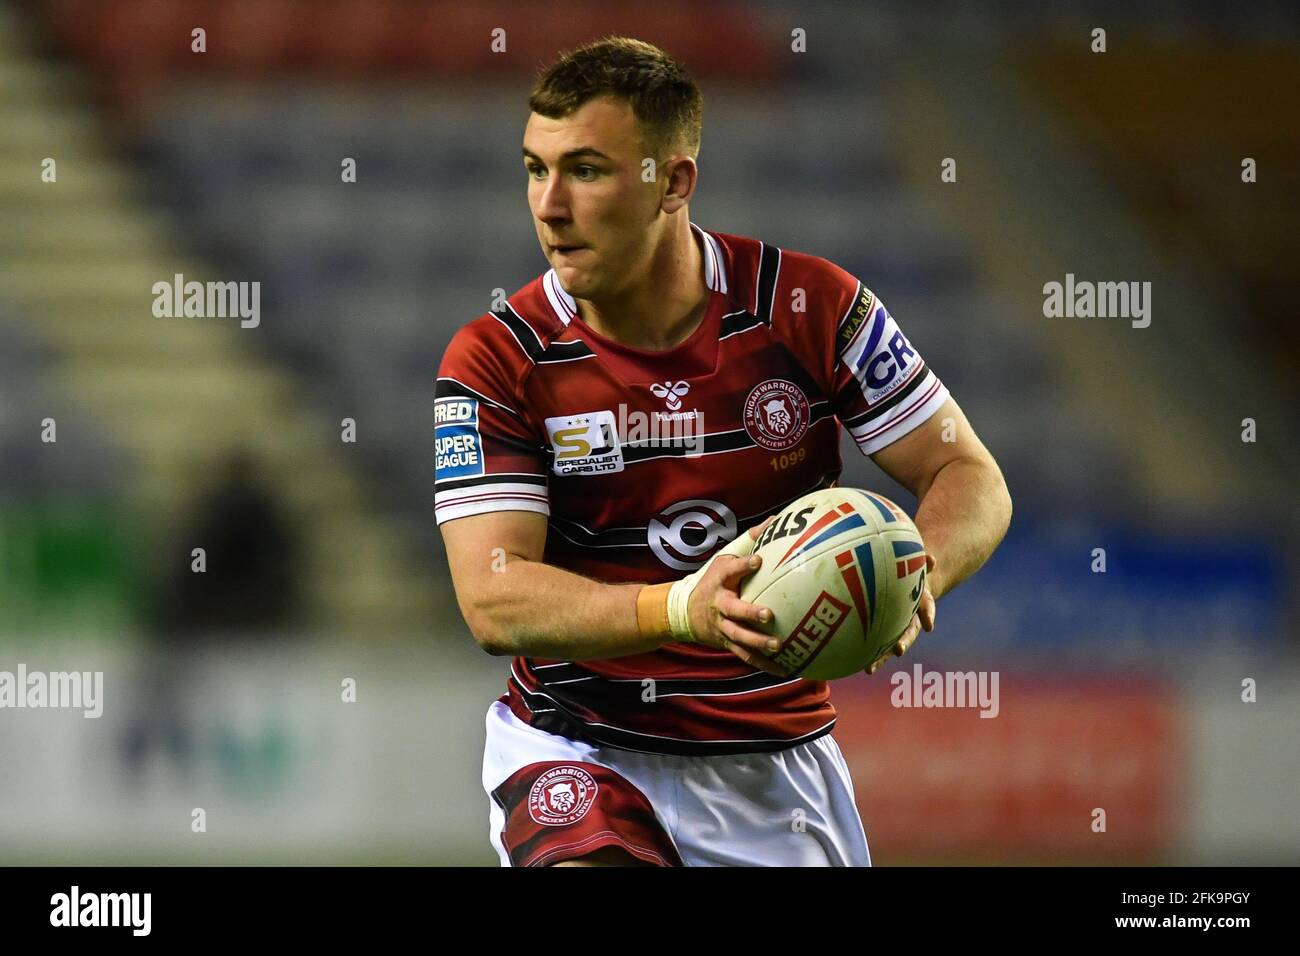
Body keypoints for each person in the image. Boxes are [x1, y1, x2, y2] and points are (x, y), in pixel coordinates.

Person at [436, 37, 1012, 867]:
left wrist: (917, 569)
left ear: (673, 182)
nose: (549, 205)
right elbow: (493, 600)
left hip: (774, 772)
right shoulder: (497, 358)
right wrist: (680, 608)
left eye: (586, 170)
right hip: (577, 751)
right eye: (535, 168)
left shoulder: (812, 307)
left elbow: (969, 474)